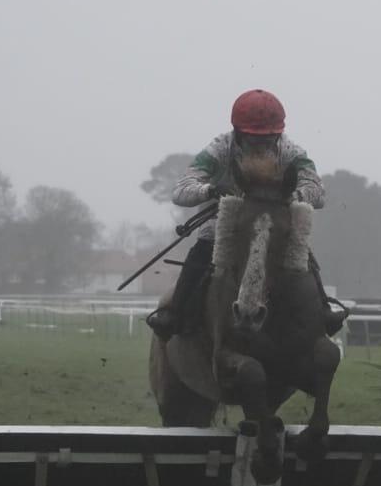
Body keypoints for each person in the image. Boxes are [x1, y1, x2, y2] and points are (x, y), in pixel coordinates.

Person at [146, 89, 347, 339]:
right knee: (199, 256)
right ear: (238, 133)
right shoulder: (219, 149)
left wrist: (292, 197)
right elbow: (180, 191)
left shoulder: (292, 152)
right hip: (225, 228)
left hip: (273, 226)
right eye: (254, 139)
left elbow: (318, 192)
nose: (261, 145)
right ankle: (174, 314)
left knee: (305, 259)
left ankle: (323, 312)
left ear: (279, 133)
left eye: (268, 139)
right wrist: (210, 189)